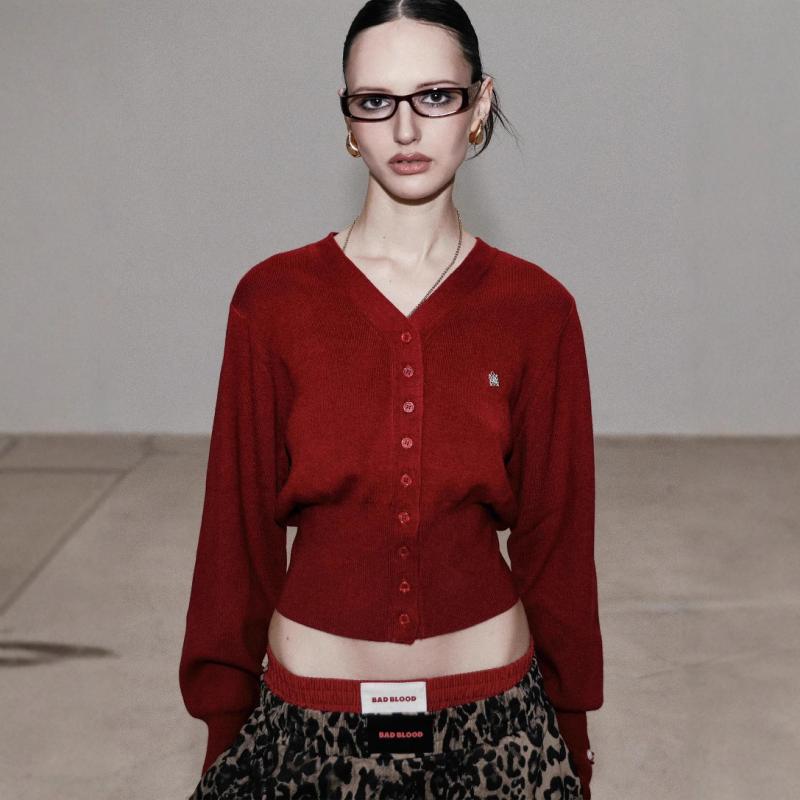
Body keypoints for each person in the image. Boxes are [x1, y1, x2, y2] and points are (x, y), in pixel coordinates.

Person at [179, 2, 603, 798]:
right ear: (349, 121)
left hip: (498, 733)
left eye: (435, 96)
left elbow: (558, 543)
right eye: (375, 101)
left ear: (479, 104)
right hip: (304, 731)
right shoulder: (272, 302)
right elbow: (236, 535)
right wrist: (224, 734)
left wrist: (571, 739)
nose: (405, 129)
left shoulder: (536, 310)